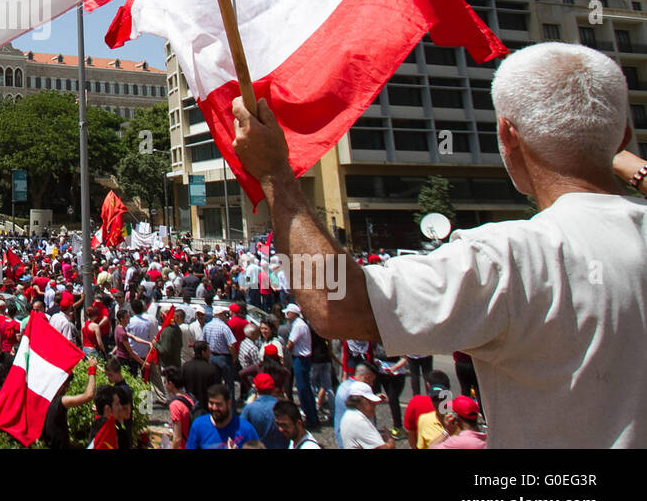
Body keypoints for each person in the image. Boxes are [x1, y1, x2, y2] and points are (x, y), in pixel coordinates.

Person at [231, 42, 647, 448]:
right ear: (624, 136)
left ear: (507, 134)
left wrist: (275, 174)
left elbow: (333, 301)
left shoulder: (509, 258)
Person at [41, 358, 98, 448]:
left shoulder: (44, 397)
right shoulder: (60, 401)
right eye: (67, 384)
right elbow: (88, 395)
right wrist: (92, 369)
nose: (68, 387)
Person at [185, 384, 260, 449]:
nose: (214, 408)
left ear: (229, 404)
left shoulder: (246, 429)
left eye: (219, 404)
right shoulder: (198, 426)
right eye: (211, 403)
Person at [283, 304, 319, 428]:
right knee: (305, 389)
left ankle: (311, 418)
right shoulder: (301, 324)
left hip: (300, 359)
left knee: (303, 389)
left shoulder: (298, 326)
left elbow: (290, 344)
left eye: (288, 313)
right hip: (303, 359)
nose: (287, 315)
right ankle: (312, 416)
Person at [338, 381, 394, 449]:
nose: (374, 405)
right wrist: (390, 439)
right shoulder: (359, 421)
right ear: (359, 402)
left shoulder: (349, 414)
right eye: (370, 402)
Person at [241, 372, 288, 448]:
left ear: (256, 388)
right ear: (273, 388)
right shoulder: (282, 407)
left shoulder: (249, 408)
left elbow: (241, 430)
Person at [202, 307, 238, 391]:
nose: (225, 316)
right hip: (224, 358)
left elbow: (204, 342)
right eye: (224, 314)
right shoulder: (224, 327)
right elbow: (231, 345)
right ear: (219, 315)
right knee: (229, 384)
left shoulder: (207, 326)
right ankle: (230, 402)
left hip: (212, 357)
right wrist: (234, 357)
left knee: (215, 383)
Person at [162, 367, 198, 449]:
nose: (165, 385)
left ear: (170, 384)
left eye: (165, 382)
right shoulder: (189, 397)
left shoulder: (175, 405)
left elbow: (177, 439)